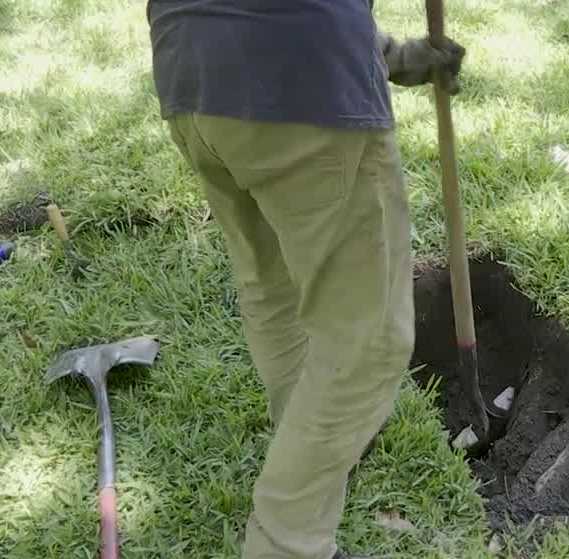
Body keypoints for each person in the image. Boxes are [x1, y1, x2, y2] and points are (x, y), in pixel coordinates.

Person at [145, 2, 466, 558]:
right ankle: (286, 543)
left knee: (272, 285)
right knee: (370, 344)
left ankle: (308, 434)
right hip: (306, 92)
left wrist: (390, 55)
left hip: (190, 77)